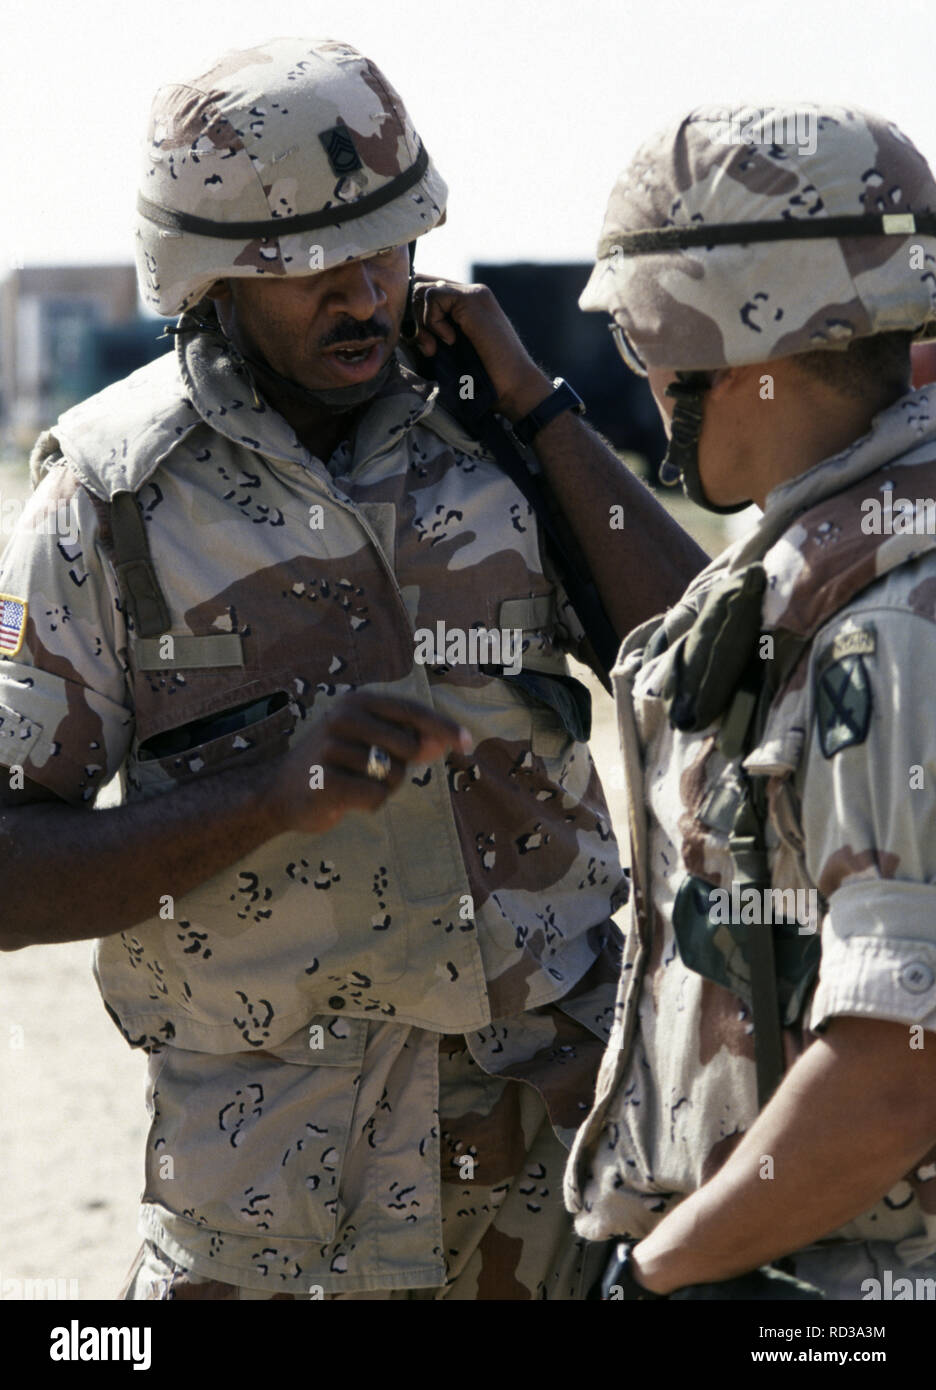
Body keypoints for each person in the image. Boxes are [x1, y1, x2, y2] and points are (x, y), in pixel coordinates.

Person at [0, 38, 703, 1300]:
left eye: (389, 250)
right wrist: (265, 798)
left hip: (547, 1172)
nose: (368, 295)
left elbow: (711, 676)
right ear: (209, 277)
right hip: (269, 1206)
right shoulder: (105, 500)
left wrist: (542, 408)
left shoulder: (498, 434)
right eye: (313, 270)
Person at [564, 102, 936, 1302]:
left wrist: (660, 1274)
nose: (647, 376)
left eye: (644, 339)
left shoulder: (885, 623)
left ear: (736, 340)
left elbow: (897, 1073)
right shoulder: (840, 561)